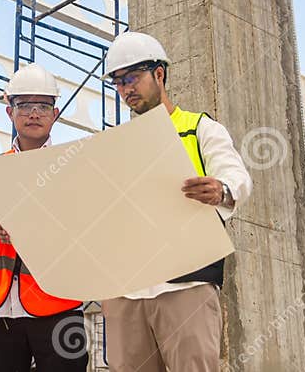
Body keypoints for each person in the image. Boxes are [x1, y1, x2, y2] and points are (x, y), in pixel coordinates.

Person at [101, 31, 252, 372]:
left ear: (159, 74)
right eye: (119, 82)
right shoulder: (117, 145)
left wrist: (222, 190)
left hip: (187, 281)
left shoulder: (200, 128)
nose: (126, 89)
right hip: (127, 288)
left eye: (133, 78)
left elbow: (236, 176)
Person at [0, 63, 89, 372]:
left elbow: (88, 231)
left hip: (59, 307)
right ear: (9, 112)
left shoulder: (74, 170)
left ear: (55, 114)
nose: (33, 113)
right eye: (24, 105)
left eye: (42, 106)